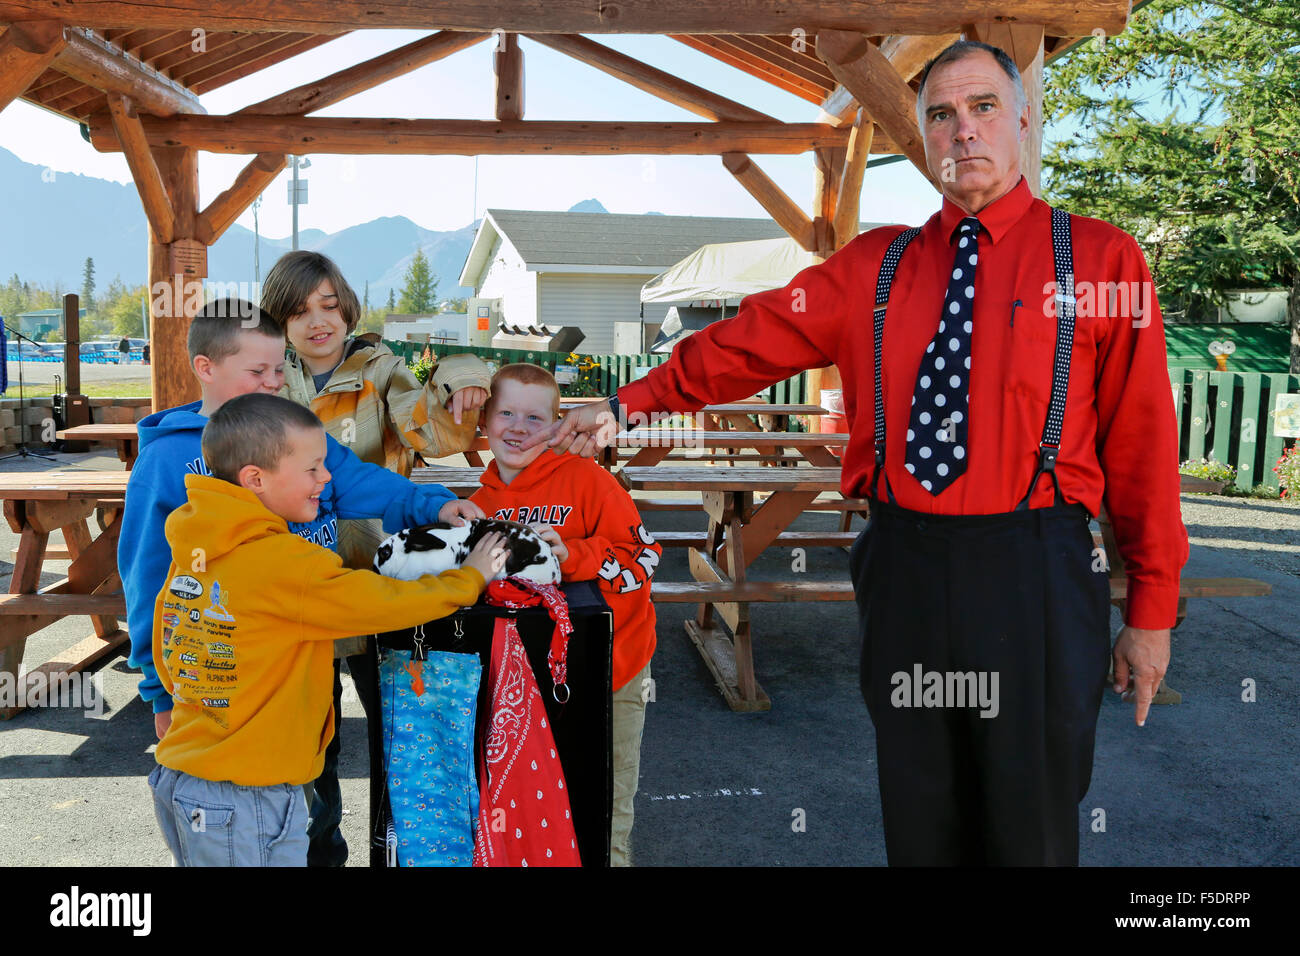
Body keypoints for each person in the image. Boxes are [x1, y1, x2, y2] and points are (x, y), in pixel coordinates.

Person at [533, 40, 1189, 866]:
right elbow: (746, 341)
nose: (964, 132)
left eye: (984, 107)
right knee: (920, 812)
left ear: (1022, 119)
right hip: (905, 563)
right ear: (923, 138)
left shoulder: (1099, 259)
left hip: (1036, 570)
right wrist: (631, 402)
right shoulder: (874, 268)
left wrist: (1152, 613)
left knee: (1033, 819)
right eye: (941, 116)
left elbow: (1143, 446)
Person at [118, 298, 485, 816]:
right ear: (206, 368)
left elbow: (359, 480)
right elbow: (147, 578)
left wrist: (436, 503)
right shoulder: (167, 460)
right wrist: (159, 693)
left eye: (277, 367)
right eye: (257, 371)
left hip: (315, 645)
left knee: (314, 774)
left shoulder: (294, 432)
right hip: (238, 678)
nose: (273, 380)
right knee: (265, 807)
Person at [147, 392, 507, 866]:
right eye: (313, 468)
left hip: (185, 778)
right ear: (255, 479)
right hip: (247, 796)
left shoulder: (196, 546)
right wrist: (470, 577)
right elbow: (385, 603)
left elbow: (167, 639)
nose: (327, 478)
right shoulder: (285, 564)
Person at [260, 250, 492, 866]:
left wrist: (463, 376)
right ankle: (320, 861)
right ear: (278, 319)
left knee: (403, 741)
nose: (318, 321)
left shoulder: (381, 371)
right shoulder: (265, 378)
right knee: (311, 753)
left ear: (348, 309)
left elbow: (433, 433)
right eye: (300, 309)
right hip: (294, 596)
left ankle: (401, 854)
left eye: (330, 306)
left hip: (380, 591)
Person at [469, 363, 662, 866]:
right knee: (535, 814)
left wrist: (571, 555)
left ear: (558, 425)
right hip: (525, 689)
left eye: (536, 418)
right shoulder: (476, 505)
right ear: (484, 420)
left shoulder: (588, 481)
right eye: (506, 412)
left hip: (611, 675)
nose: (518, 427)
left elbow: (643, 559)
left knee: (604, 811)